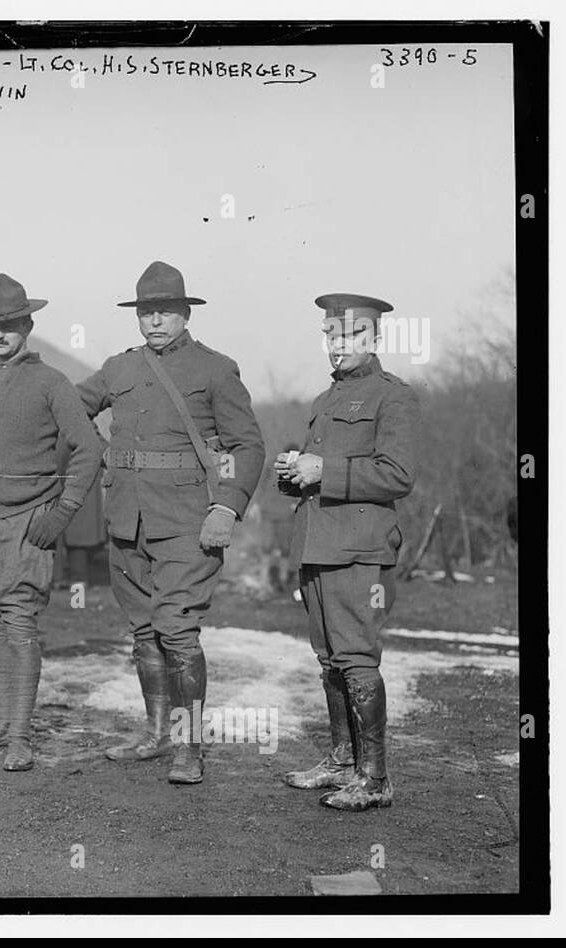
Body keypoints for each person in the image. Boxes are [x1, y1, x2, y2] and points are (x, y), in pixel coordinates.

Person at [78, 261, 264, 783]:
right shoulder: (119, 368)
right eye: (146, 312)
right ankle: (158, 734)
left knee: (176, 630)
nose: (155, 321)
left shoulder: (215, 369)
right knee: (143, 632)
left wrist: (226, 507)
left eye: (165, 311)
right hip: (126, 521)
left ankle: (189, 746)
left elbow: (248, 445)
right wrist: (98, 452)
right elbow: (72, 407)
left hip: (188, 522)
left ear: (185, 313)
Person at [0, 273, 105, 771]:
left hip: (26, 524)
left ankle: (20, 735)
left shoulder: (51, 382)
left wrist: (62, 512)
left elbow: (89, 448)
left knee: (18, 622)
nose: (0, 333)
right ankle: (1, 721)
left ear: (28, 324)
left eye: (10, 324)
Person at [278, 293, 419, 812]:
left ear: (375, 339)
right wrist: (296, 475)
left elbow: (398, 476)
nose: (338, 347)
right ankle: (342, 761)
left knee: (357, 658)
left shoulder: (393, 397)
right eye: (331, 336)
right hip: (318, 544)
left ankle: (375, 778)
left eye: (351, 337)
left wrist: (324, 472)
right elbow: (323, 471)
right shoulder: (326, 399)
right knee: (329, 658)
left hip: (359, 550)